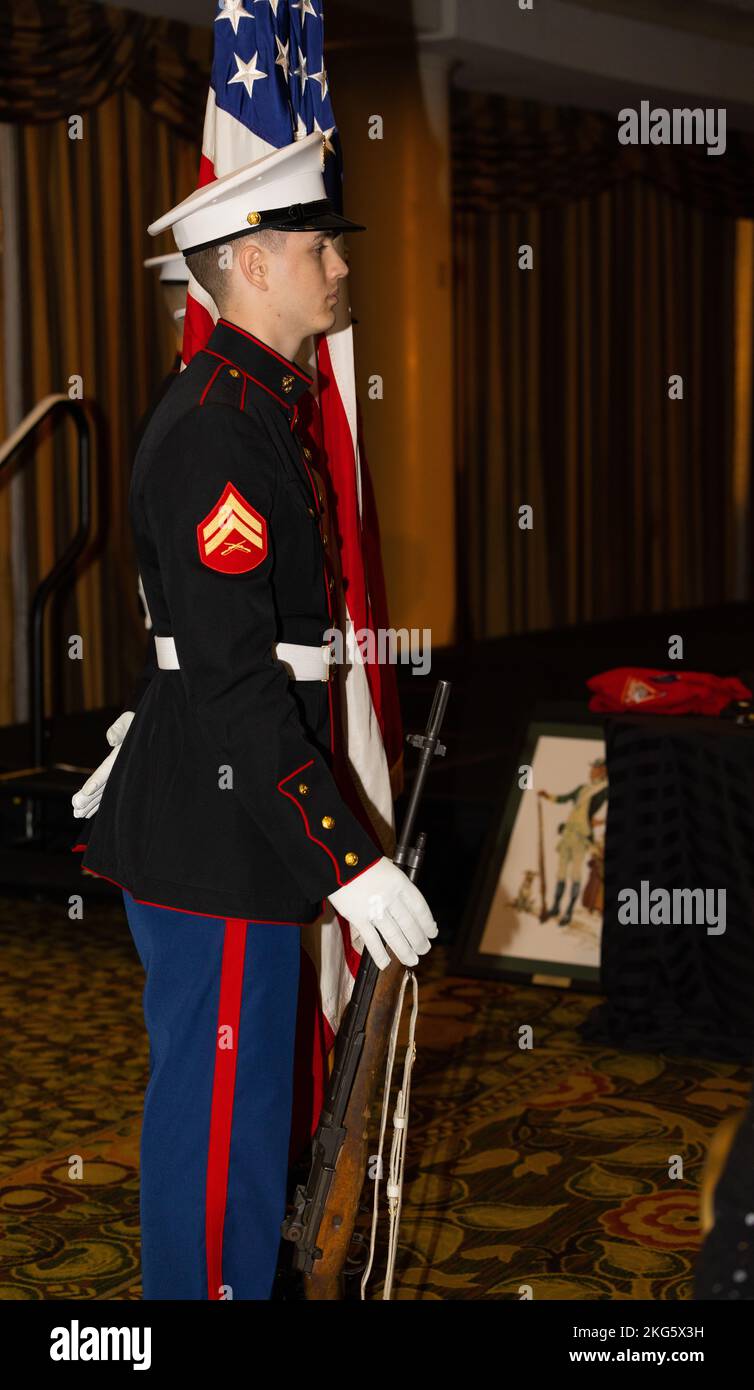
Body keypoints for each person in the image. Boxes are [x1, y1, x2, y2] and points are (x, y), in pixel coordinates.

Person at [71, 131, 437, 1301]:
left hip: (232, 815)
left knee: (241, 1113)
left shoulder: (255, 404)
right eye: (318, 242)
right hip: (219, 831)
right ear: (252, 262)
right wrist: (349, 862)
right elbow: (232, 677)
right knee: (220, 1128)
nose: (337, 262)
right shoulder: (225, 422)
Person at [537, 757, 608, 926]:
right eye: (592, 769)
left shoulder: (605, 790)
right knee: (561, 873)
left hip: (581, 835)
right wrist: (547, 796)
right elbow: (564, 798)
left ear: (603, 771)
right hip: (569, 832)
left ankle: (568, 911)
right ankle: (555, 906)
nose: (591, 772)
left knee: (575, 874)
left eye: (595, 769)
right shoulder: (582, 788)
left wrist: (600, 821)